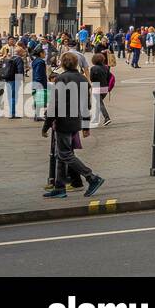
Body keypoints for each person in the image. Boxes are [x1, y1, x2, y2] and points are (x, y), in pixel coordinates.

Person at [41, 53, 105, 200]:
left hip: (63, 121)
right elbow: (87, 105)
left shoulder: (61, 79)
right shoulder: (83, 79)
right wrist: (86, 126)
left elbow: (55, 105)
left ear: (63, 64)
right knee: (61, 155)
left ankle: (91, 177)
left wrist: (46, 126)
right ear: (76, 64)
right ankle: (59, 187)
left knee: (64, 154)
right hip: (75, 120)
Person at [88, 52, 112, 127]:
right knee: (98, 103)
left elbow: (91, 78)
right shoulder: (106, 67)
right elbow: (108, 78)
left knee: (99, 103)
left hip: (97, 87)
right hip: (105, 88)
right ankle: (94, 118)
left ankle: (107, 117)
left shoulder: (93, 68)